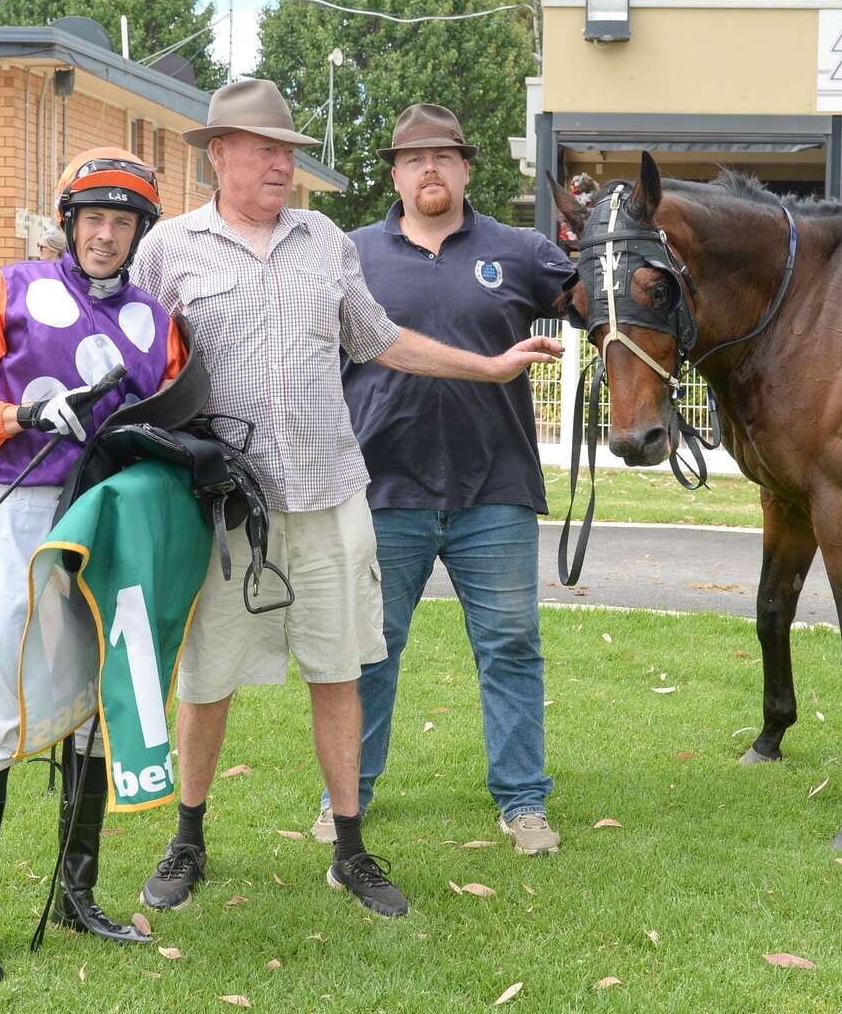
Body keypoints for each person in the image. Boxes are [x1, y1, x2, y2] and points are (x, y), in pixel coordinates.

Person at [132, 79, 562, 921]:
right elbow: (143, 360)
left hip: (332, 493)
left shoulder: (324, 240)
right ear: (219, 153)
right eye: (265, 152)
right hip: (226, 506)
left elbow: (381, 339)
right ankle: (187, 838)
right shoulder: (170, 249)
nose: (281, 167)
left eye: (289, 154)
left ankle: (352, 850)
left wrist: (490, 366)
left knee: (343, 668)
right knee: (206, 677)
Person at [0, 147, 183, 984]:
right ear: (68, 223)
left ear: (140, 232)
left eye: (122, 222)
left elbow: (179, 410)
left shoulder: (158, 320)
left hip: (112, 521)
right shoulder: (10, 289)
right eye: (93, 220)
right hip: (22, 515)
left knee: (100, 704)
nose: (105, 236)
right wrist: (18, 410)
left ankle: (78, 892)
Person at [308, 103, 572, 856]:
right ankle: (346, 798)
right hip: (384, 489)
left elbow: (599, 300)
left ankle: (523, 805)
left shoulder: (517, 250)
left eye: (444, 156)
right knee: (370, 650)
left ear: (465, 167)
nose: (430, 168)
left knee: (511, 646)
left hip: (497, 489)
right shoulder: (350, 254)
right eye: (414, 157)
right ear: (394, 172)